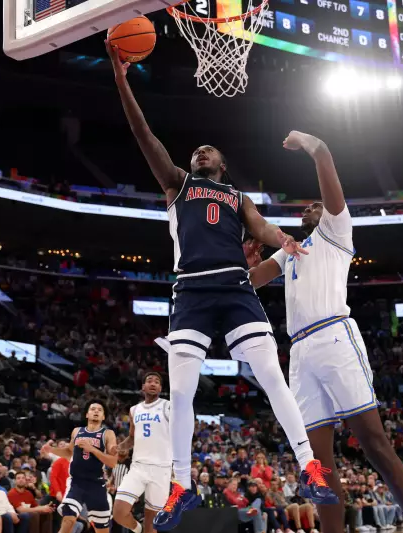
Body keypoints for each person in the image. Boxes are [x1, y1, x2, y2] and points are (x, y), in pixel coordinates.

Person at [105, 42, 335, 531]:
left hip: (234, 289)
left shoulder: (236, 195)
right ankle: (182, 487)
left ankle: (310, 468)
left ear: (222, 164)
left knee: (273, 375)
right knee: (183, 393)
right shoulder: (177, 183)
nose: (199, 151)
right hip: (190, 291)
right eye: (196, 150)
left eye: (208, 150)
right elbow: (142, 133)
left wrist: (285, 241)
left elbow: (263, 228)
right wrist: (122, 79)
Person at [244, 131, 403, 533]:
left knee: (375, 445)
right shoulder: (289, 249)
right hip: (300, 351)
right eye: (307, 207)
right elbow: (249, 282)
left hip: (334, 336)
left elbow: (327, 165)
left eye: (317, 205)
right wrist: (242, 260)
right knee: (318, 464)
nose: (312, 208)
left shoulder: (336, 231)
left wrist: (315, 145)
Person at [44, 401, 116, 533]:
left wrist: (92, 449)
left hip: (96, 484)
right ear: (87, 414)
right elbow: (68, 452)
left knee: (102, 529)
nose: (96, 411)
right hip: (77, 482)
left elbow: (112, 462)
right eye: (92, 409)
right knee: (68, 519)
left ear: (103, 416)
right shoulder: (77, 432)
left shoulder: (108, 434)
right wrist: (51, 449)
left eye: (99, 410)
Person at [114, 372, 172, 533]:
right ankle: (137, 529)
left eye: (157, 382)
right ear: (143, 387)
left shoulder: (168, 406)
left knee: (152, 523)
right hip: (138, 467)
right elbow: (132, 437)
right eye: (149, 381)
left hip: (161, 469)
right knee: (119, 511)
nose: (153, 383)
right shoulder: (134, 410)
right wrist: (120, 447)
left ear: (160, 388)